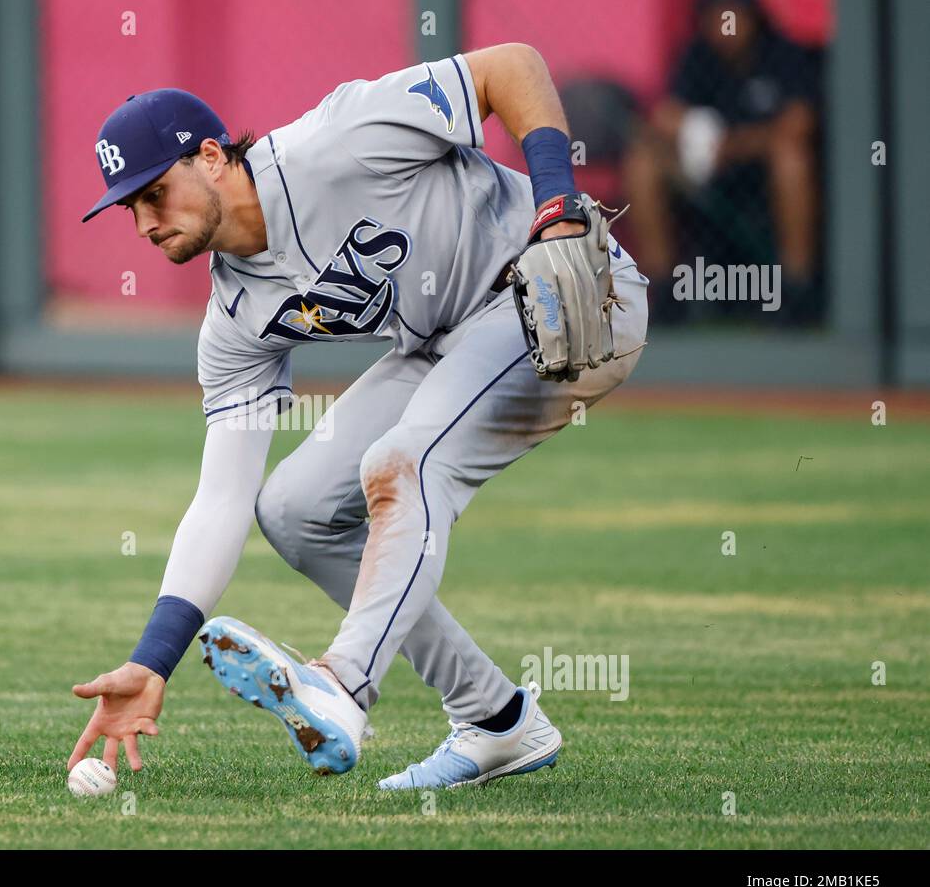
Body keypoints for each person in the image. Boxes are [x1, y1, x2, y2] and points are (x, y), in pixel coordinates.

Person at [69, 42, 649, 789]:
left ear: (211, 155)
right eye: (129, 207)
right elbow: (221, 502)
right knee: (294, 507)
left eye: (154, 193)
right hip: (445, 340)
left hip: (563, 298)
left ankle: (341, 685)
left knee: (404, 463)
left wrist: (557, 202)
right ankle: (497, 720)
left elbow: (511, 66)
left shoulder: (336, 140)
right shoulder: (235, 319)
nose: (144, 222)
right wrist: (152, 660)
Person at [623, 0, 821, 324]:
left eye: (733, 15)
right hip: (706, 170)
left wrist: (731, 145)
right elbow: (666, 115)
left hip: (763, 168)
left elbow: (799, 124)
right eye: (714, 17)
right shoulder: (697, 56)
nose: (725, 26)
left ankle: (796, 287)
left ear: (754, 17)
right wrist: (694, 129)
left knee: (792, 158)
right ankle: (664, 288)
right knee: (643, 162)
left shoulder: (782, 54)